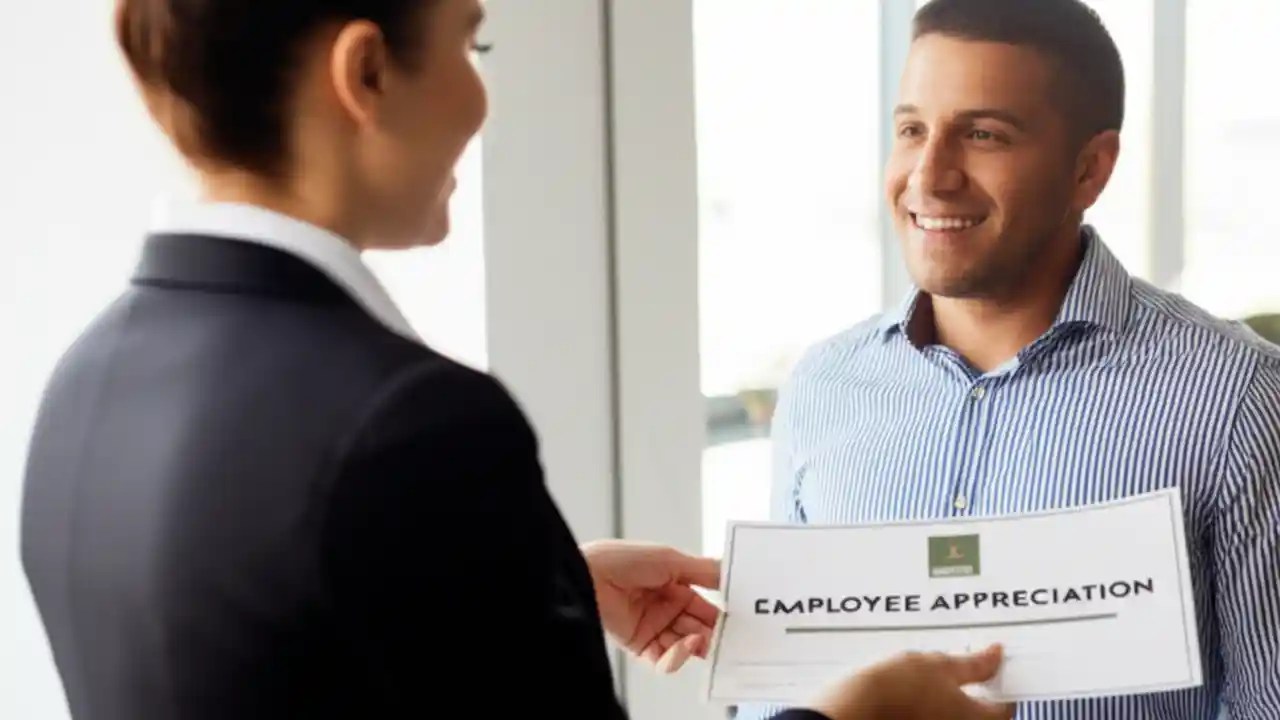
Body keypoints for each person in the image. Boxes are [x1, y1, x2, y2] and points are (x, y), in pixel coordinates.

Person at [18, 1, 1017, 718]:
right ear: (366, 73)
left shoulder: (88, 378)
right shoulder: (412, 422)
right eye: (471, 42)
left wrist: (539, 587)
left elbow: (288, 638)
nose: (480, 97)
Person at [735, 0, 1280, 719]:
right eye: (912, 130)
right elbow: (778, 692)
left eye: (983, 134)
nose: (930, 176)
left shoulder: (1237, 397)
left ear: (1089, 169)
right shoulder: (823, 388)